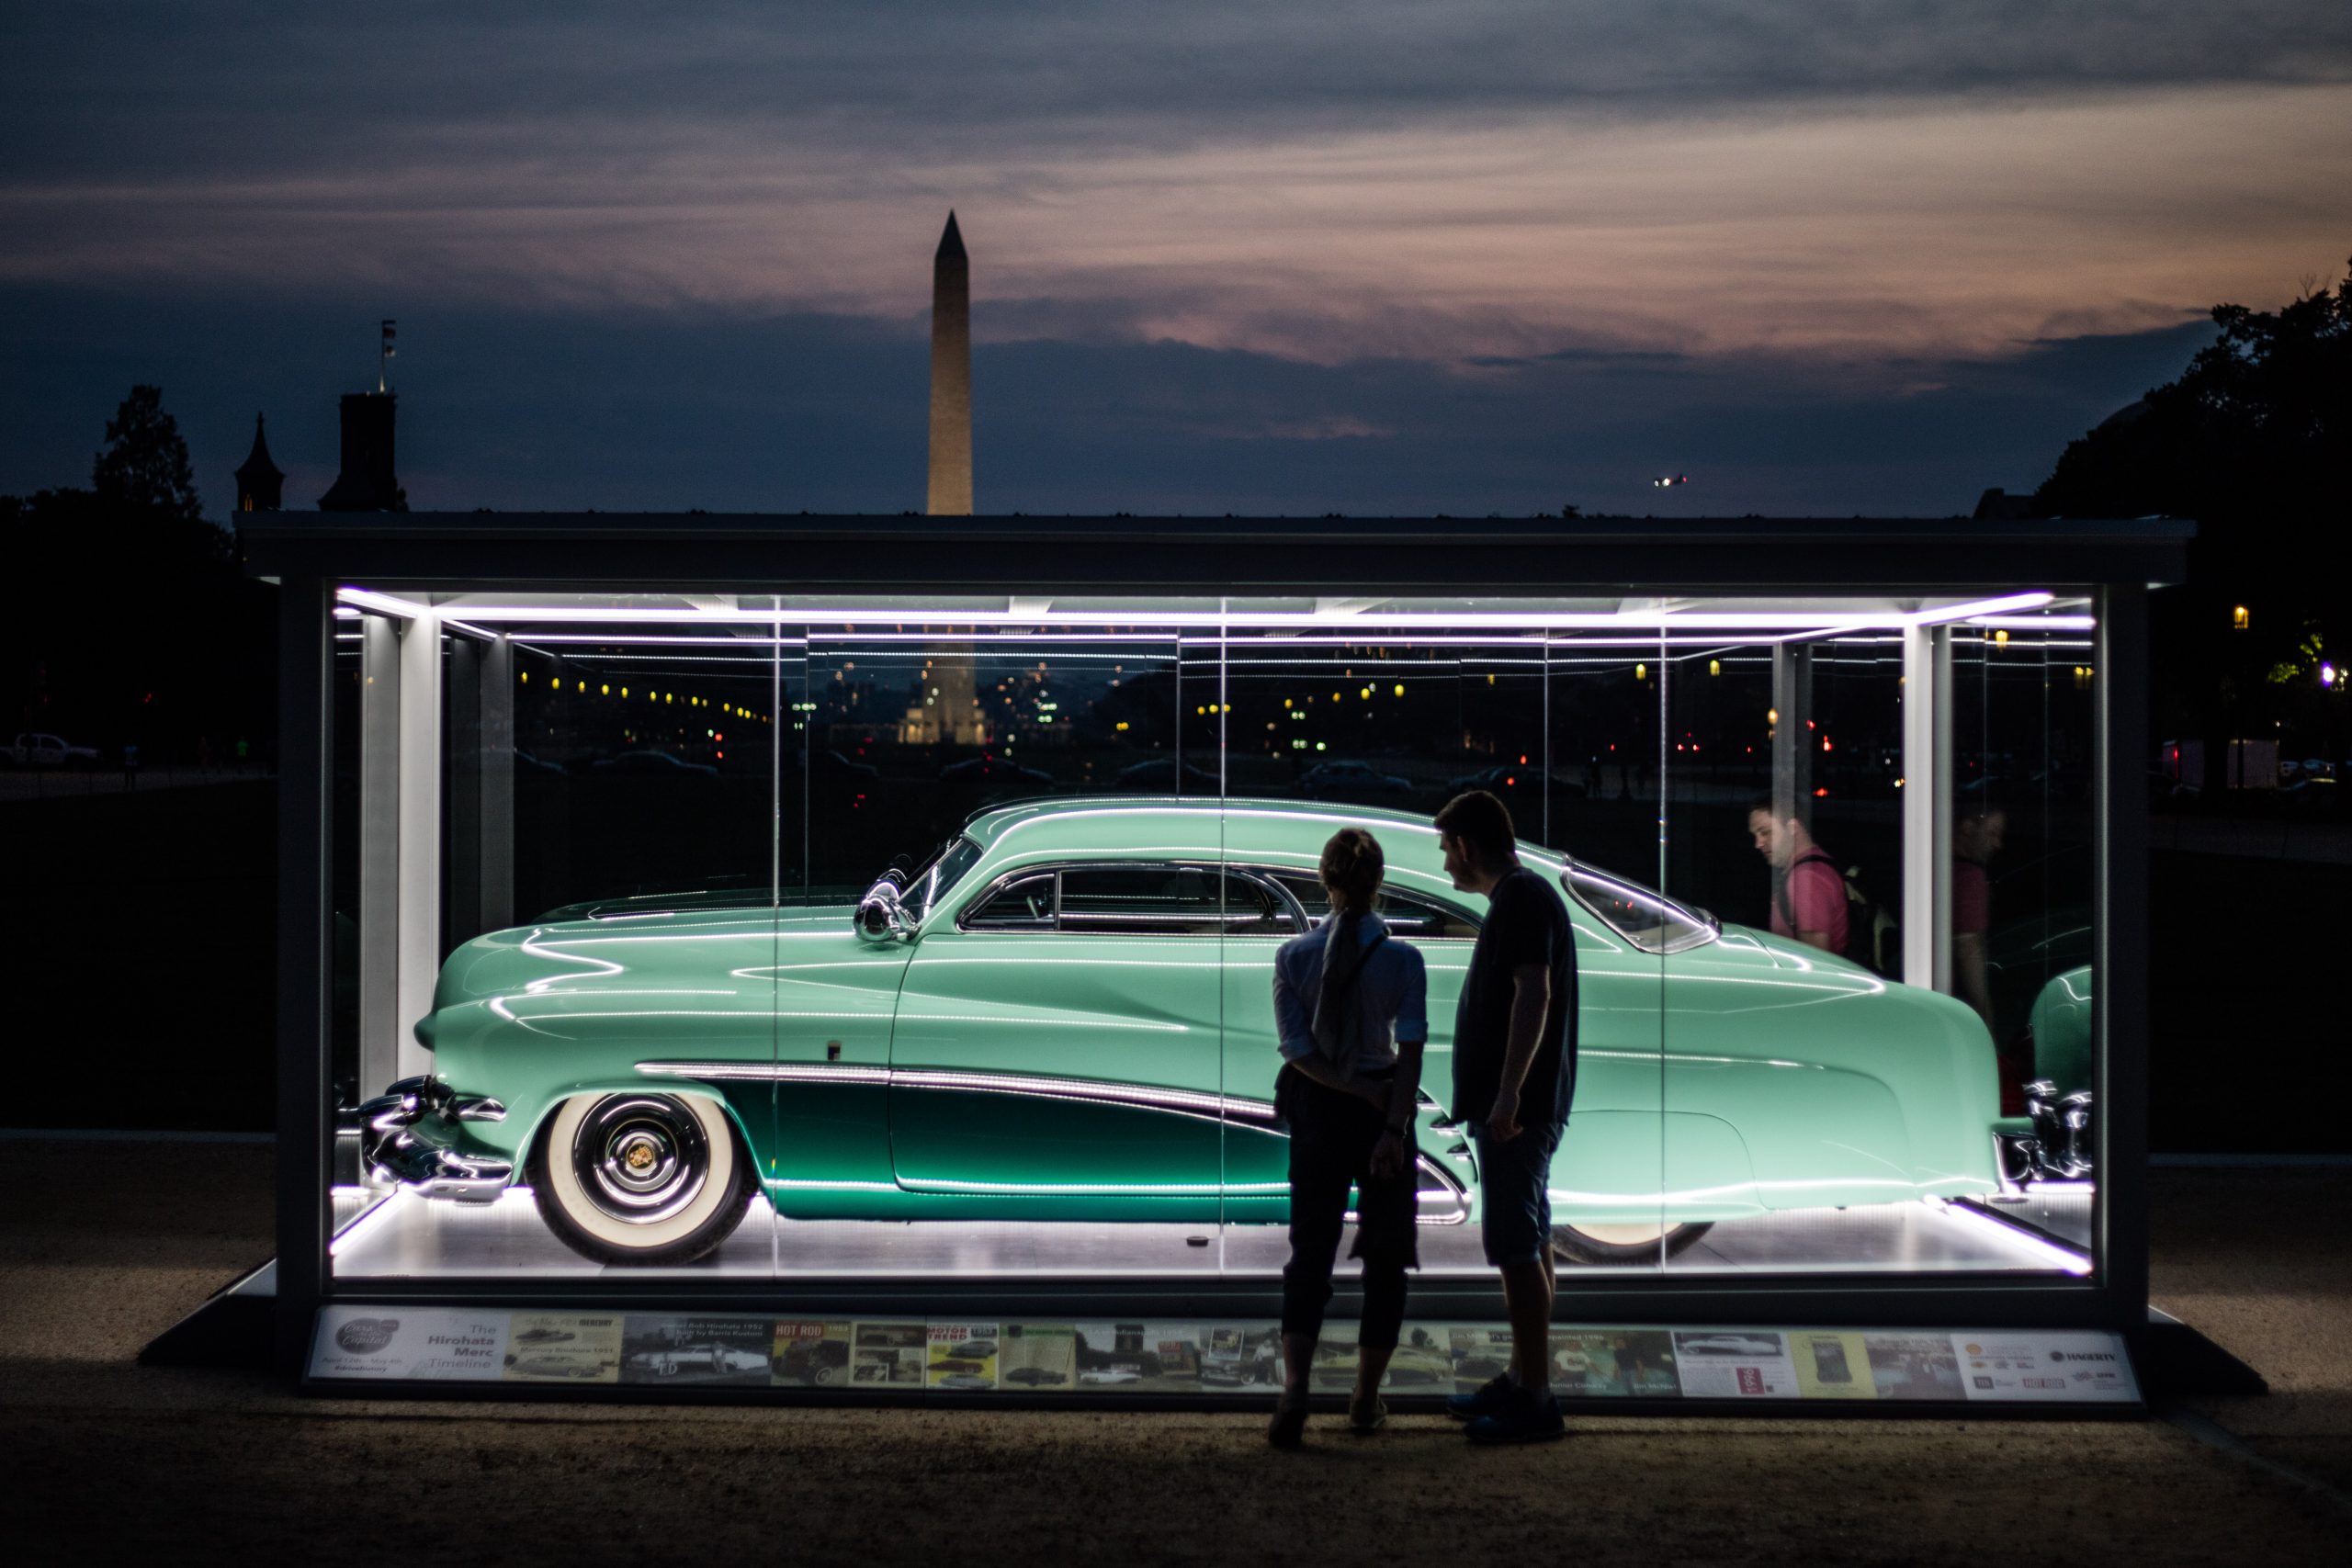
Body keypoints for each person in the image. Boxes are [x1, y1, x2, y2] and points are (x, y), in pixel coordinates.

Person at [1266, 827, 1429, 1448]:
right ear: (1378, 882)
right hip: (1380, 1107)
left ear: (1324, 880)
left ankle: (1294, 1390)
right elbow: (1408, 1050)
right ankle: (1363, 1400)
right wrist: (1391, 1121)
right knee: (1385, 1256)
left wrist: (1346, 1089)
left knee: (1311, 1249)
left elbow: (1297, 1049)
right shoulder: (1403, 959)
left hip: (1318, 1108)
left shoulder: (1292, 957)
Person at [1434, 789, 1576, 1445]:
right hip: (1525, 1103)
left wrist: (1509, 1093)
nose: (1445, 867)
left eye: (1447, 851)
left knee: (1515, 1246)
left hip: (1518, 1109)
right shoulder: (1526, 895)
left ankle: (1536, 1397)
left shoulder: (1518, 899)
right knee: (1532, 1235)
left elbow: (1533, 992)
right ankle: (1524, 1379)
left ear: (1467, 845)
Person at [1747, 802, 1848, 955]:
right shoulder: (1818, 865)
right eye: (1755, 835)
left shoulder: (1806, 879)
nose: (1758, 844)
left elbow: (1816, 961)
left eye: (1766, 832)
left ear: (1793, 827)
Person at [1952, 807, 2007, 1033]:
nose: (1997, 844)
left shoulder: (1937, 868)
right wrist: (1987, 1023)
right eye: (1992, 832)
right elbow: (1969, 951)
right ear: (1967, 827)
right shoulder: (1970, 879)